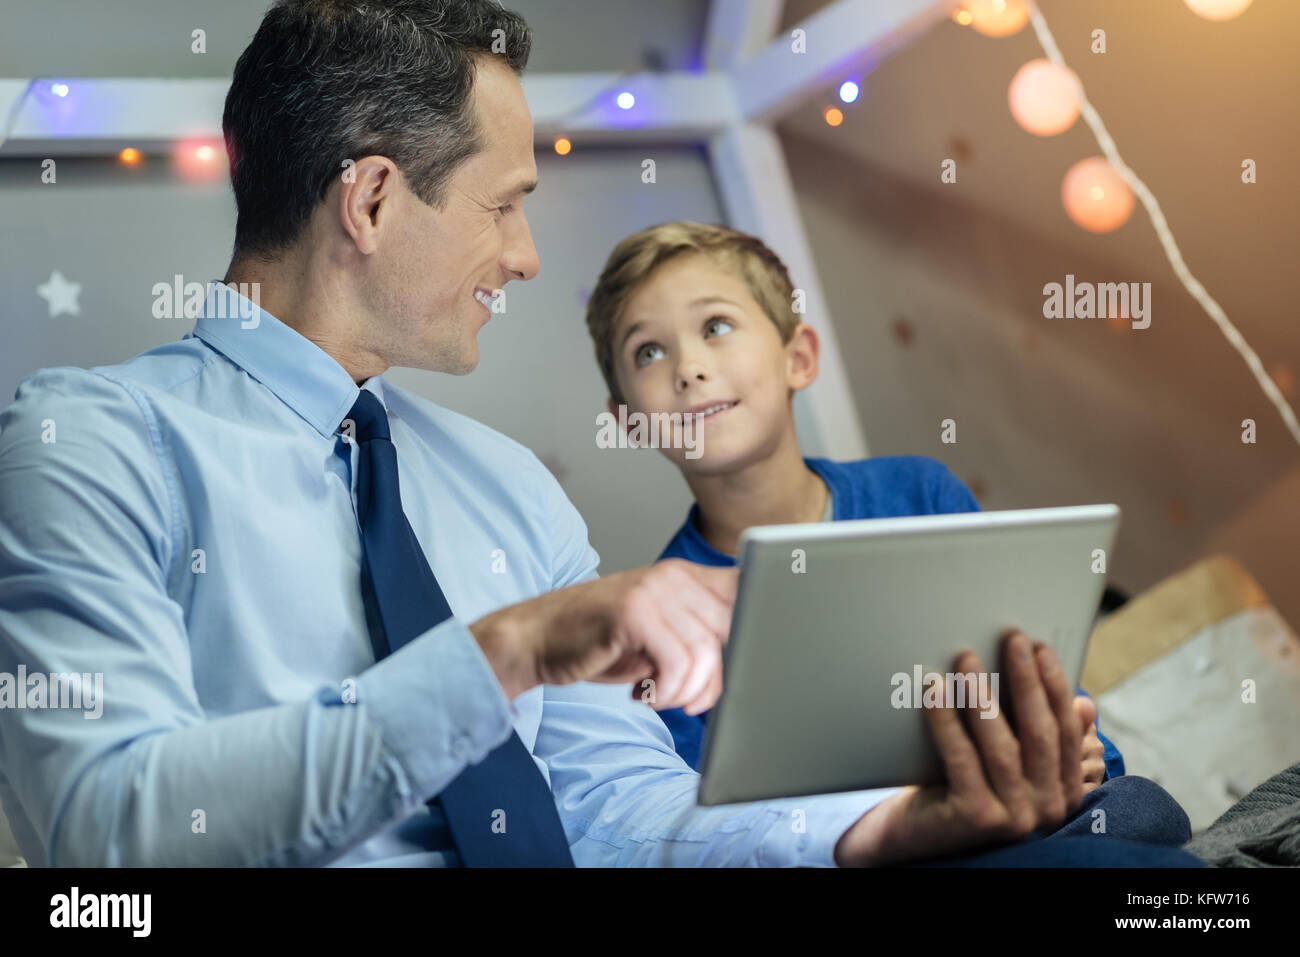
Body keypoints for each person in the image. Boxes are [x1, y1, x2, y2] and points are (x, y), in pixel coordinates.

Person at [0, 0, 1191, 868]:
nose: (523, 257)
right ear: (369, 201)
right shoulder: (89, 444)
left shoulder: (505, 490)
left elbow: (628, 819)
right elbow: (106, 839)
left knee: (1120, 860)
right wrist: (506, 650)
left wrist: (880, 831)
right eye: (506, 204)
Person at [583, 220, 1194, 863]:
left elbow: (1033, 674)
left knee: (1142, 809)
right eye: (647, 352)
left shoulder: (918, 492)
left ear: (799, 358)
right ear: (628, 421)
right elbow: (713, 827)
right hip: (878, 854)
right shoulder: (659, 615)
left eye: (716, 326)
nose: (689, 369)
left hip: (1024, 807)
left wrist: (1074, 749)